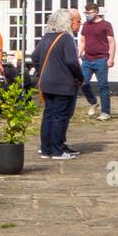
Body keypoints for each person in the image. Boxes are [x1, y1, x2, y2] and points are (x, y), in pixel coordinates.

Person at [32, 9, 84, 160]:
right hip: (63, 84)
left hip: (46, 83)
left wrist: (42, 70)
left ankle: (46, 148)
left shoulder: (46, 37)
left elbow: (35, 56)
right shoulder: (66, 38)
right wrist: (79, 76)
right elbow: (72, 61)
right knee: (60, 116)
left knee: (49, 115)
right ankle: (57, 150)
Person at [78, 3, 115, 121]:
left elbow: (112, 42)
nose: (87, 15)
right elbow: (82, 41)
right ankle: (93, 102)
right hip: (87, 59)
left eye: (89, 13)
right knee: (83, 82)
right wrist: (78, 54)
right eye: (86, 13)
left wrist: (111, 58)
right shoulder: (85, 25)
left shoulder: (106, 25)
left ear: (96, 12)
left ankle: (105, 112)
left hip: (101, 59)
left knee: (103, 86)